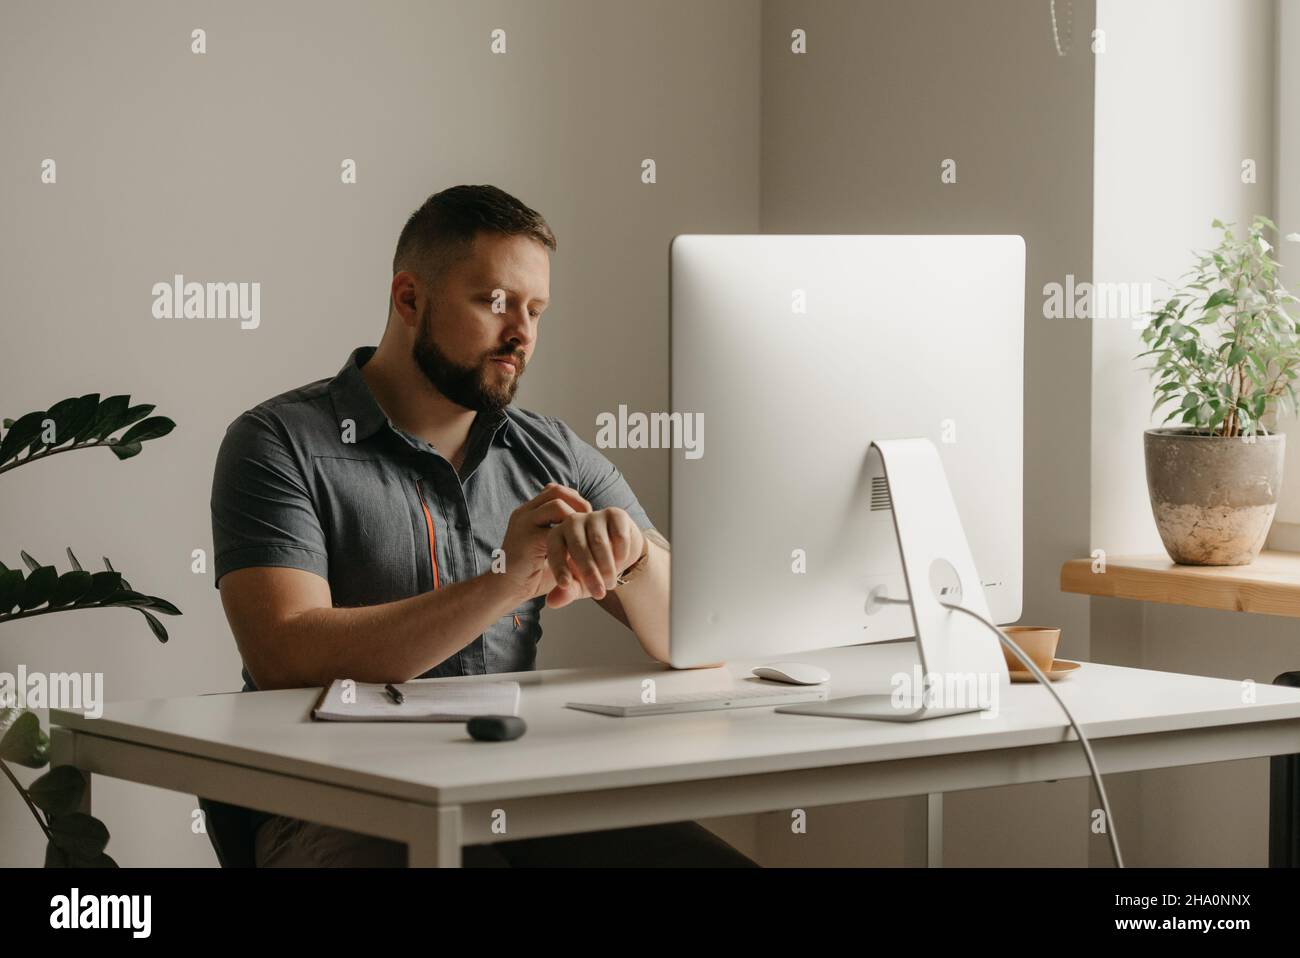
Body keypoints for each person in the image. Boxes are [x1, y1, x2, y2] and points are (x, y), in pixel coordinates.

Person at [210, 184, 756, 867]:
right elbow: (286, 655)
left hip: (520, 792)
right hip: (339, 804)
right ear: (409, 300)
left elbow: (698, 637)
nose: (522, 332)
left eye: (536, 310)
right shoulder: (277, 442)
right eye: (497, 302)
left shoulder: (552, 453)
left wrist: (634, 556)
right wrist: (505, 581)